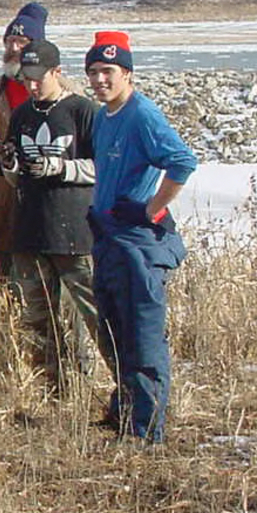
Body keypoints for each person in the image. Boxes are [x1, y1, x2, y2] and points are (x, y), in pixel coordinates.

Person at [85, 31, 197, 442]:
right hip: (107, 238)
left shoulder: (142, 114)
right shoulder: (103, 116)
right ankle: (125, 412)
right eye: (93, 72)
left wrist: (152, 208)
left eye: (108, 72)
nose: (99, 80)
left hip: (137, 242)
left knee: (143, 335)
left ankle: (147, 432)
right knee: (113, 331)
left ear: (127, 74)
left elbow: (183, 162)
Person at [0, 39, 104, 391]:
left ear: (57, 73)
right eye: (24, 78)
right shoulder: (22, 114)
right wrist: (10, 165)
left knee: (91, 316)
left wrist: (61, 168)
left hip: (73, 232)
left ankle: (108, 386)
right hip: (30, 230)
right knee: (37, 319)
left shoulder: (82, 111)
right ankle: (54, 389)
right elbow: (15, 175)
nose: (30, 85)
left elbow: (103, 167)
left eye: (37, 77)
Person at [0, 3, 48, 288]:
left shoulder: (65, 92)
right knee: (10, 280)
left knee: (48, 279)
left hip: (47, 199)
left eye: (21, 41)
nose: (13, 47)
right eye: (9, 41)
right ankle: (14, 330)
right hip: (5, 199)